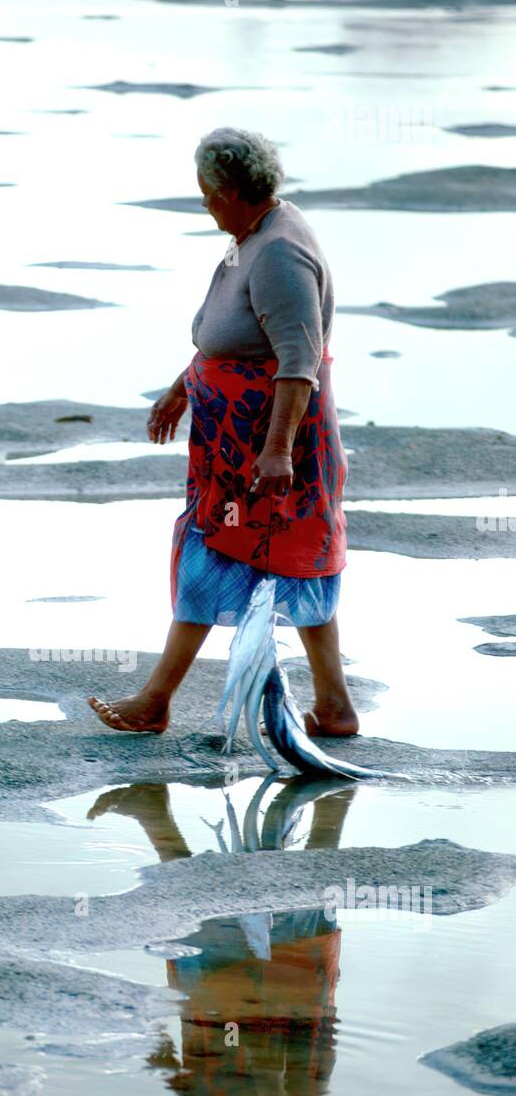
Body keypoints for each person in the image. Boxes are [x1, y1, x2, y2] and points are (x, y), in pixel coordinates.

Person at [88, 126, 358, 739]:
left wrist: (277, 452)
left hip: (267, 451)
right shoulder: (253, 235)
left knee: (228, 554)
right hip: (236, 447)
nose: (204, 203)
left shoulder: (281, 253)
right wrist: (181, 389)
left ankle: (155, 701)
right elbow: (227, 333)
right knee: (294, 558)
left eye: (208, 193)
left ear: (232, 191)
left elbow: (298, 361)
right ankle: (335, 706)